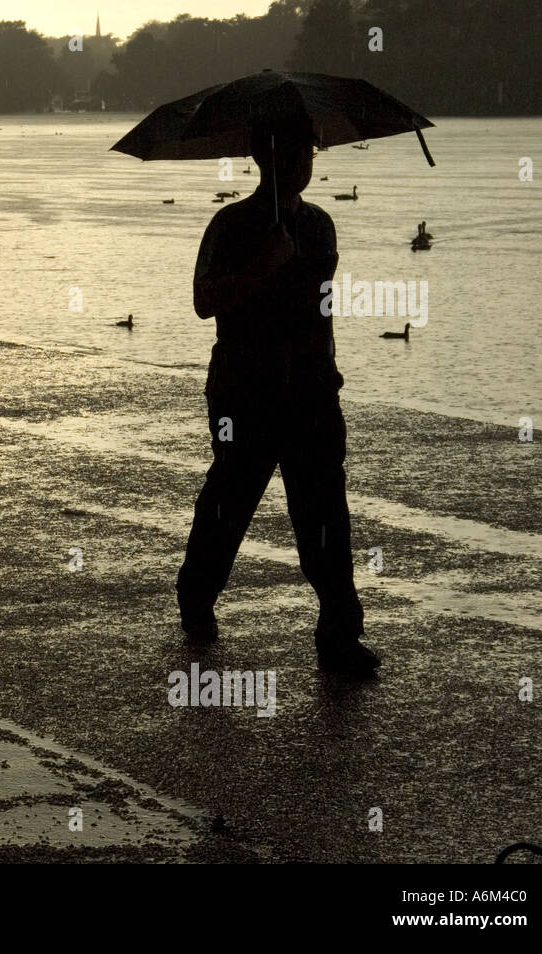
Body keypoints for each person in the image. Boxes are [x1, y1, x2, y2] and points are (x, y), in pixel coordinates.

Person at [176, 115, 380, 676]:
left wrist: (327, 375)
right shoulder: (230, 225)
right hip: (245, 391)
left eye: (308, 153)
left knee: (324, 513)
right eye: (291, 153)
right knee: (230, 498)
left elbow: (321, 310)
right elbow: (203, 300)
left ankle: (339, 632)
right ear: (264, 158)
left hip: (312, 391)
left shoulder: (320, 226)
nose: (303, 164)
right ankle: (197, 593)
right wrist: (261, 268)